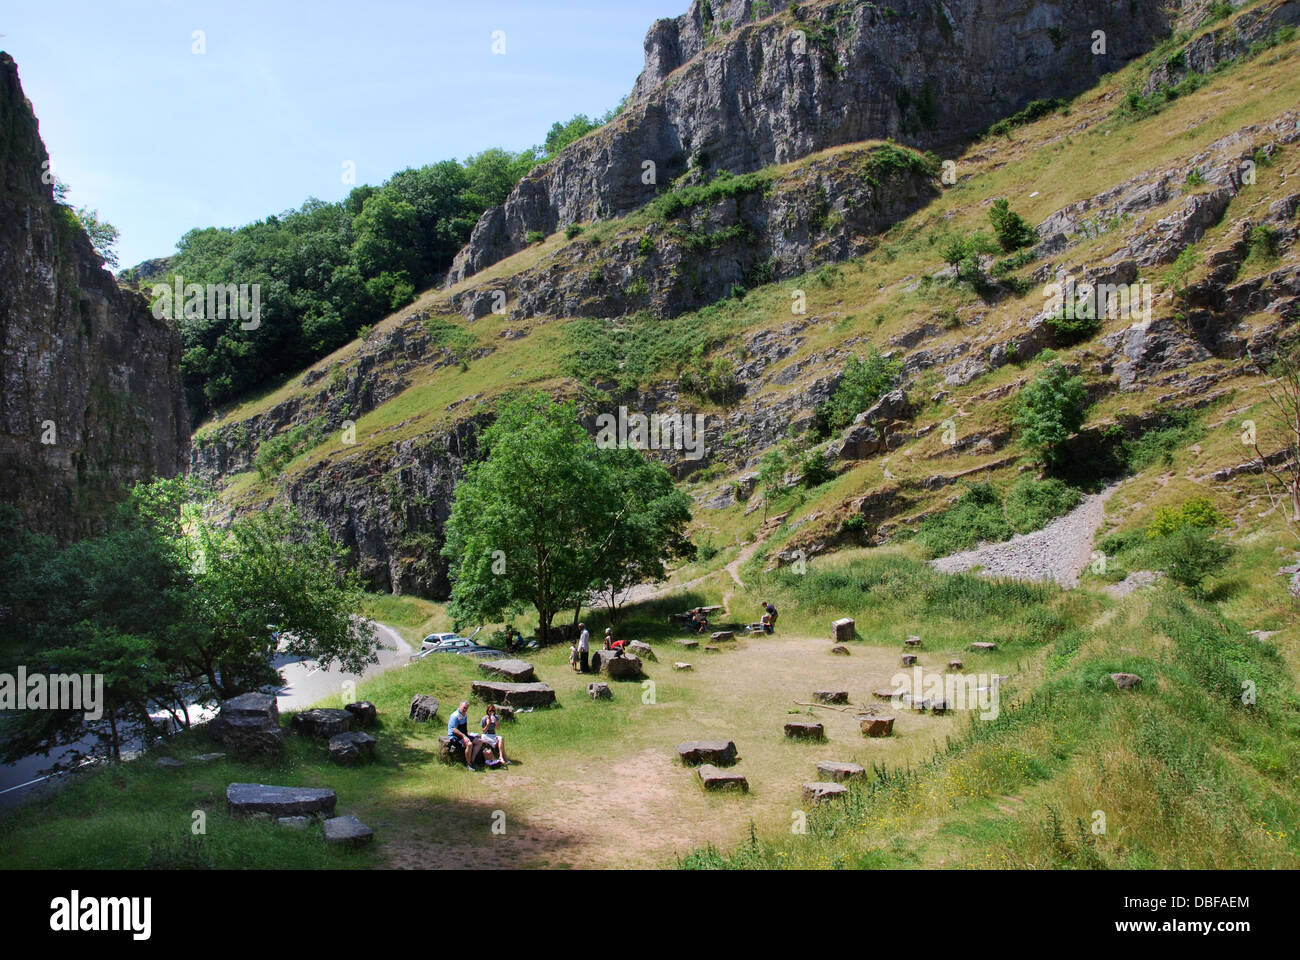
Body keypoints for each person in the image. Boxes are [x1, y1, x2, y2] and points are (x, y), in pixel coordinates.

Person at [447, 701, 476, 769]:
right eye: (464, 708)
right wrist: (464, 736)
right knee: (469, 744)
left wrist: (467, 735)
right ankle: (468, 764)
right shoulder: (455, 716)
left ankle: (472, 760)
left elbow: (464, 727)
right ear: (460, 706)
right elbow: (454, 730)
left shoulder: (465, 714)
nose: (465, 709)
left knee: (479, 741)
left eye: (466, 708)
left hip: (463, 735)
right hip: (455, 737)